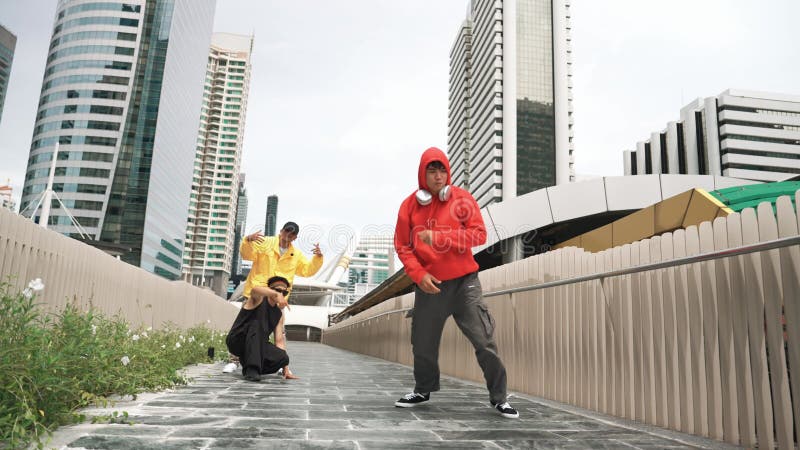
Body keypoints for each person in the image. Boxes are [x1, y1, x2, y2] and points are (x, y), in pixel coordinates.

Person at [392, 147, 519, 419]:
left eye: (442, 171)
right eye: (432, 170)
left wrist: (439, 237)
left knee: (484, 342)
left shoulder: (462, 200)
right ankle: (423, 390)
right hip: (431, 286)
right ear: (422, 174)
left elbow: (478, 235)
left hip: (465, 285)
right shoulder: (409, 206)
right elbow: (403, 246)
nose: (438, 177)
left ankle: (499, 398)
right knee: (423, 343)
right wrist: (419, 275)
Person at [239, 221, 323, 379]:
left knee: (278, 331)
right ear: (281, 230)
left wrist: (317, 258)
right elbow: (247, 255)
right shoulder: (265, 243)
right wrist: (248, 240)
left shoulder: (295, 255)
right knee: (246, 327)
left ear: (295, 237)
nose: (287, 236)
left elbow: (307, 270)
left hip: (278, 299)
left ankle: (283, 367)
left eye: (291, 235)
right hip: (257, 292)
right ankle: (235, 359)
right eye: (286, 232)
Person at [225, 275, 292, 381]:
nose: (281, 294)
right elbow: (255, 290)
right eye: (278, 290)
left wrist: (286, 369)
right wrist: (275, 294)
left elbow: (279, 341)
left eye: (284, 292)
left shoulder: (278, 314)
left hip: (255, 345)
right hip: (238, 339)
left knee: (283, 357)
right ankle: (252, 370)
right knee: (256, 325)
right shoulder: (258, 299)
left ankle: (251, 366)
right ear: (269, 289)